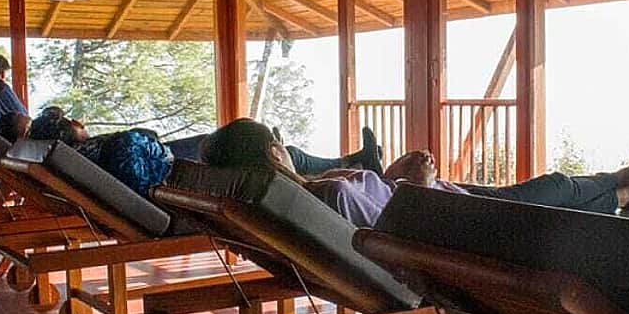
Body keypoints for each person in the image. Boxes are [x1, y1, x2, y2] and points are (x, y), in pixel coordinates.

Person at [200, 117, 629, 228]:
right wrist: (412, 183)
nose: (285, 147)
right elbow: (400, 226)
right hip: (456, 219)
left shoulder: (307, 193)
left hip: (446, 197)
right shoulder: (330, 199)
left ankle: (622, 194)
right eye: (276, 143)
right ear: (272, 155)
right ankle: (623, 182)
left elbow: (381, 201)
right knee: (554, 187)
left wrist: (394, 174)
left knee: (552, 191)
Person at [25, 109, 381, 198]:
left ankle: (351, 161)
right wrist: (139, 136)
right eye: (71, 121)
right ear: (64, 132)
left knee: (282, 152)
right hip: (174, 174)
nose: (78, 120)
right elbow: (132, 158)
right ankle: (352, 163)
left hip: (169, 169)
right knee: (277, 153)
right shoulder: (89, 149)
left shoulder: (76, 155)